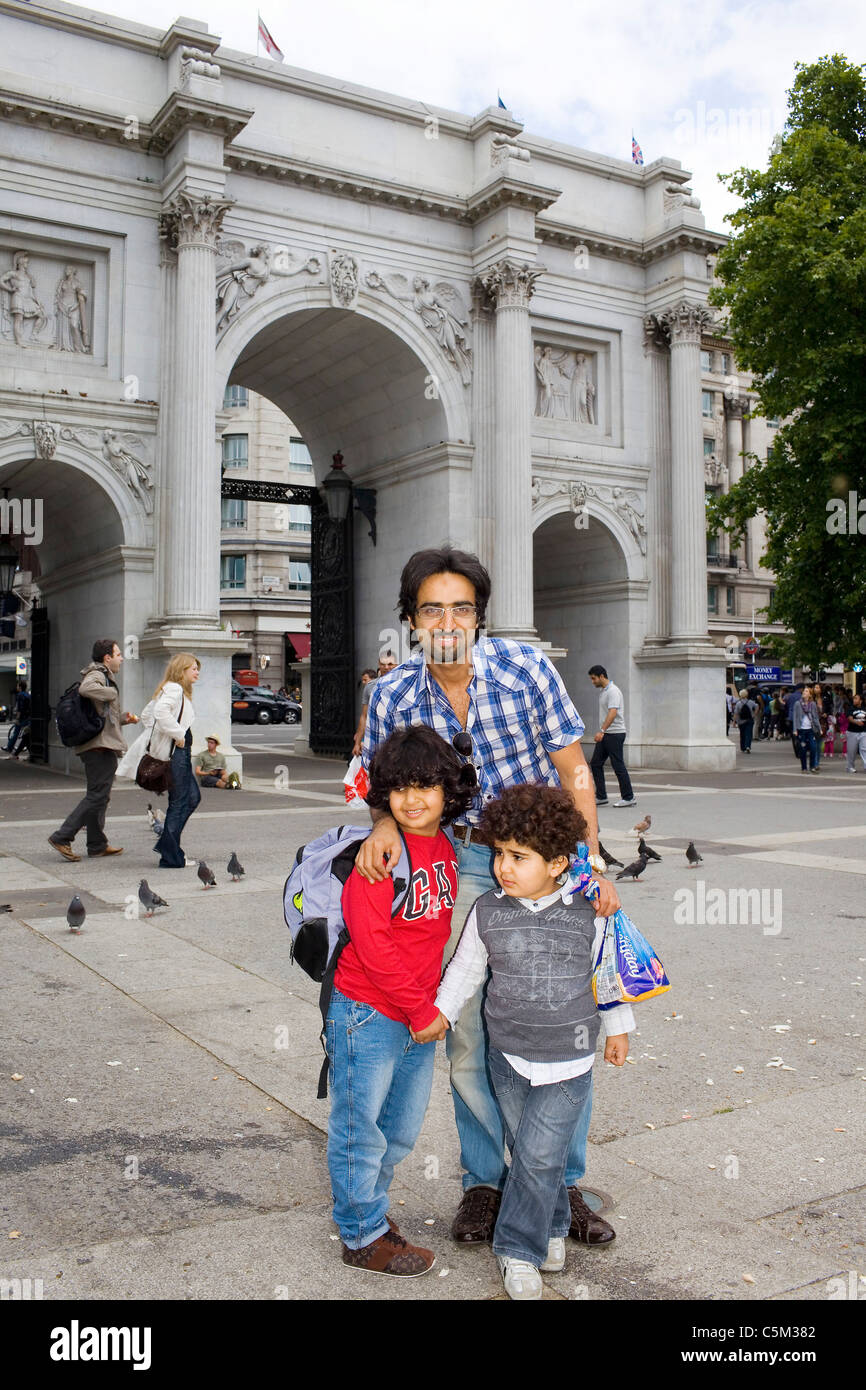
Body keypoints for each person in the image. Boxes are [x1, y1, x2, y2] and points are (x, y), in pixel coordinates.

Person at [358, 547, 620, 1249]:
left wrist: (585, 866)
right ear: (411, 620)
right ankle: (483, 1180)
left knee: (559, 1015)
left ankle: (559, 1180)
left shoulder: (526, 668)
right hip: (456, 863)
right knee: (467, 1025)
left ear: (480, 615)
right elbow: (376, 782)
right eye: (432, 609)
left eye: (462, 608)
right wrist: (385, 823)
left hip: (541, 861)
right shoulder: (391, 695)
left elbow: (576, 772)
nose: (448, 622)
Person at [435, 784, 633, 1300]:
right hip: (507, 1056)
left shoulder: (587, 914)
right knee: (529, 1150)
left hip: (569, 1062)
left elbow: (605, 974)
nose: (503, 866)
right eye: (500, 853)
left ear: (558, 863)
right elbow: (463, 973)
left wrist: (618, 1029)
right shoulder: (488, 911)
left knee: (540, 1157)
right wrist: (441, 1013)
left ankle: (517, 1250)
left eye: (519, 857)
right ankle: (551, 1225)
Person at [327, 725, 474, 1277]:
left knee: (401, 1127)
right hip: (368, 1011)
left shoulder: (446, 848)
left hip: (418, 1011)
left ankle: (371, 1207)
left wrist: (429, 1007)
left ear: (449, 792)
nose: (412, 799)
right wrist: (421, 1011)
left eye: (427, 786)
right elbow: (373, 944)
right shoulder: (379, 857)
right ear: (383, 794)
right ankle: (361, 1233)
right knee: (358, 1125)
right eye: (400, 788)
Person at [48, 640, 138, 862]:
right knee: (97, 796)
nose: (121, 658)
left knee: (100, 796)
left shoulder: (103, 675)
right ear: (107, 658)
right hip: (98, 748)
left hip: (100, 745)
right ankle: (63, 836)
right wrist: (112, 694)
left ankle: (97, 844)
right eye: (118, 654)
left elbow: (102, 716)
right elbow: (85, 689)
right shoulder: (98, 673)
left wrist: (124, 719)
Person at [118, 653, 200, 867]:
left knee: (192, 798)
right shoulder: (175, 689)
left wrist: (162, 736)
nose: (197, 672)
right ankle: (170, 856)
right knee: (180, 802)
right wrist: (177, 735)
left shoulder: (169, 688)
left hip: (178, 754)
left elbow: (147, 716)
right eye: (193, 668)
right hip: (177, 755)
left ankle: (168, 846)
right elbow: (159, 712)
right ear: (181, 670)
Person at [587, 665, 635, 807]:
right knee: (596, 763)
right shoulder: (604, 691)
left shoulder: (613, 691)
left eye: (594, 678)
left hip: (615, 734)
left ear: (602, 676)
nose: (592, 681)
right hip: (607, 734)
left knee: (618, 765)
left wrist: (602, 730)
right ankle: (601, 796)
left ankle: (628, 797)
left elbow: (613, 712)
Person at [351, 654, 396, 757]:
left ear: (396, 664)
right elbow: (364, 716)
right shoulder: (370, 687)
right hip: (376, 738)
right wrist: (357, 743)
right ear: (379, 665)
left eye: (390, 664)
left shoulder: (404, 684)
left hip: (397, 738)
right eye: (383, 664)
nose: (386, 667)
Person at [795, 686, 821, 773]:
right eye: (804, 691)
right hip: (801, 730)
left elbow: (815, 717)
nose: (804, 693)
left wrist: (819, 728)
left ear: (809, 695)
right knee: (803, 749)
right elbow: (795, 717)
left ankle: (812, 766)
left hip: (811, 729)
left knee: (813, 748)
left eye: (806, 691)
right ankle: (804, 768)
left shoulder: (812, 704)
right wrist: (795, 729)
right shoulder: (798, 704)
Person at [846, 692, 866, 772]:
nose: (854, 700)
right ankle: (850, 767)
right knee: (852, 751)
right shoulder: (851, 708)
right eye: (854, 698)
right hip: (852, 732)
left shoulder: (865, 708)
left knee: (864, 749)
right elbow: (849, 718)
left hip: (863, 732)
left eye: (856, 698)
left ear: (861, 701)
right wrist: (857, 722)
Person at [734, 688, 757, 754]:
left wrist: (734, 722)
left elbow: (736, 713)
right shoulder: (751, 702)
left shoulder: (738, 703)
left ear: (740, 695)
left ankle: (743, 748)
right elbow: (756, 707)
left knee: (742, 734)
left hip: (741, 721)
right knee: (749, 734)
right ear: (746, 695)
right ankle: (748, 746)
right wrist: (754, 714)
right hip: (749, 720)